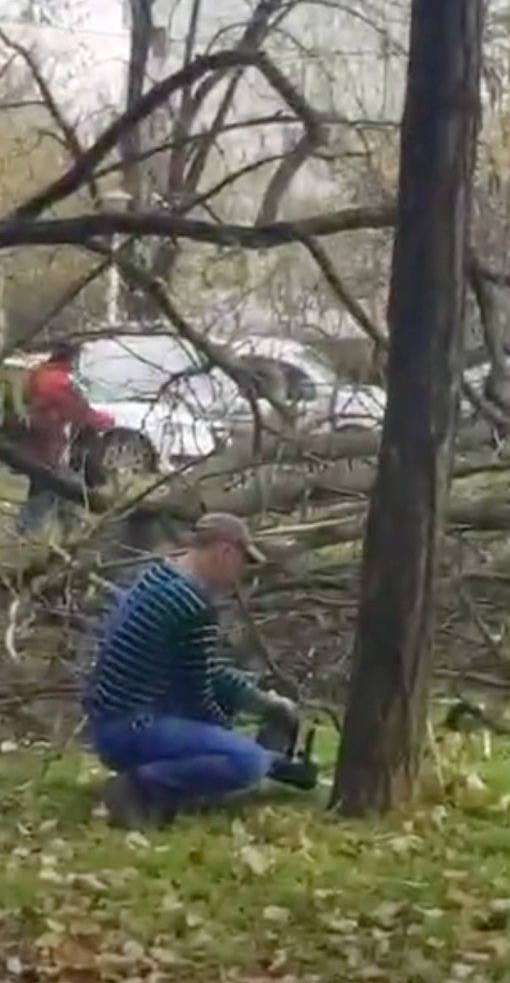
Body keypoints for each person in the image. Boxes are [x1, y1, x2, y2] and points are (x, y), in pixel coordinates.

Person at [83, 512, 311, 828]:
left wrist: (251, 698)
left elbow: (199, 670)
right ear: (225, 552)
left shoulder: (158, 578)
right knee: (248, 762)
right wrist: (265, 715)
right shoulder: (191, 603)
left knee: (234, 738)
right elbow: (199, 692)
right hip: (133, 728)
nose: (239, 574)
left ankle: (174, 783)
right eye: (242, 562)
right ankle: (138, 788)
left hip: (110, 724)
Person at [17, 340, 113, 535]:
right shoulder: (58, 382)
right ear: (72, 356)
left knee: (58, 494)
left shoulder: (40, 374)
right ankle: (27, 537)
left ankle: (64, 537)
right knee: (51, 493)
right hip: (56, 448)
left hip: (43, 445)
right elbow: (78, 411)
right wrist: (104, 420)